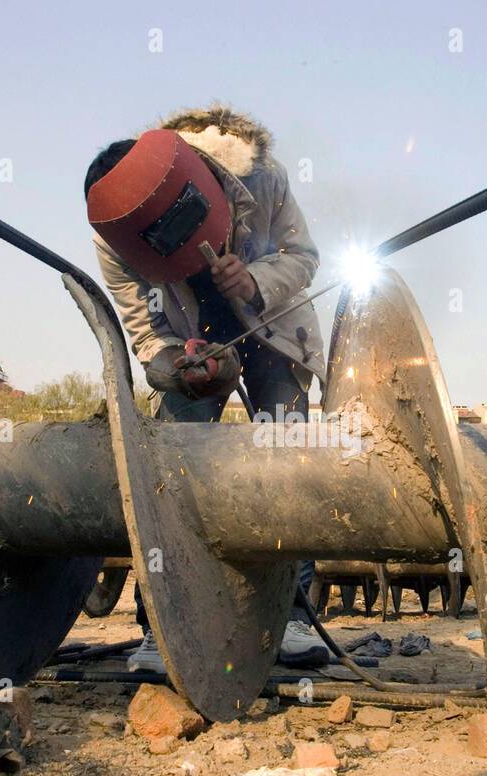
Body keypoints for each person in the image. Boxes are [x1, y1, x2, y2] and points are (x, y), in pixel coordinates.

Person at [83, 105, 328, 671]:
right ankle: (161, 627)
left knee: (287, 459)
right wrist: (173, 363)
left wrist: (255, 278)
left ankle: (292, 618)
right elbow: (143, 329)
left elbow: (304, 258)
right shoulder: (113, 237)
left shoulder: (262, 178)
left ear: (206, 184)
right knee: (165, 470)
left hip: (271, 328)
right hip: (198, 340)